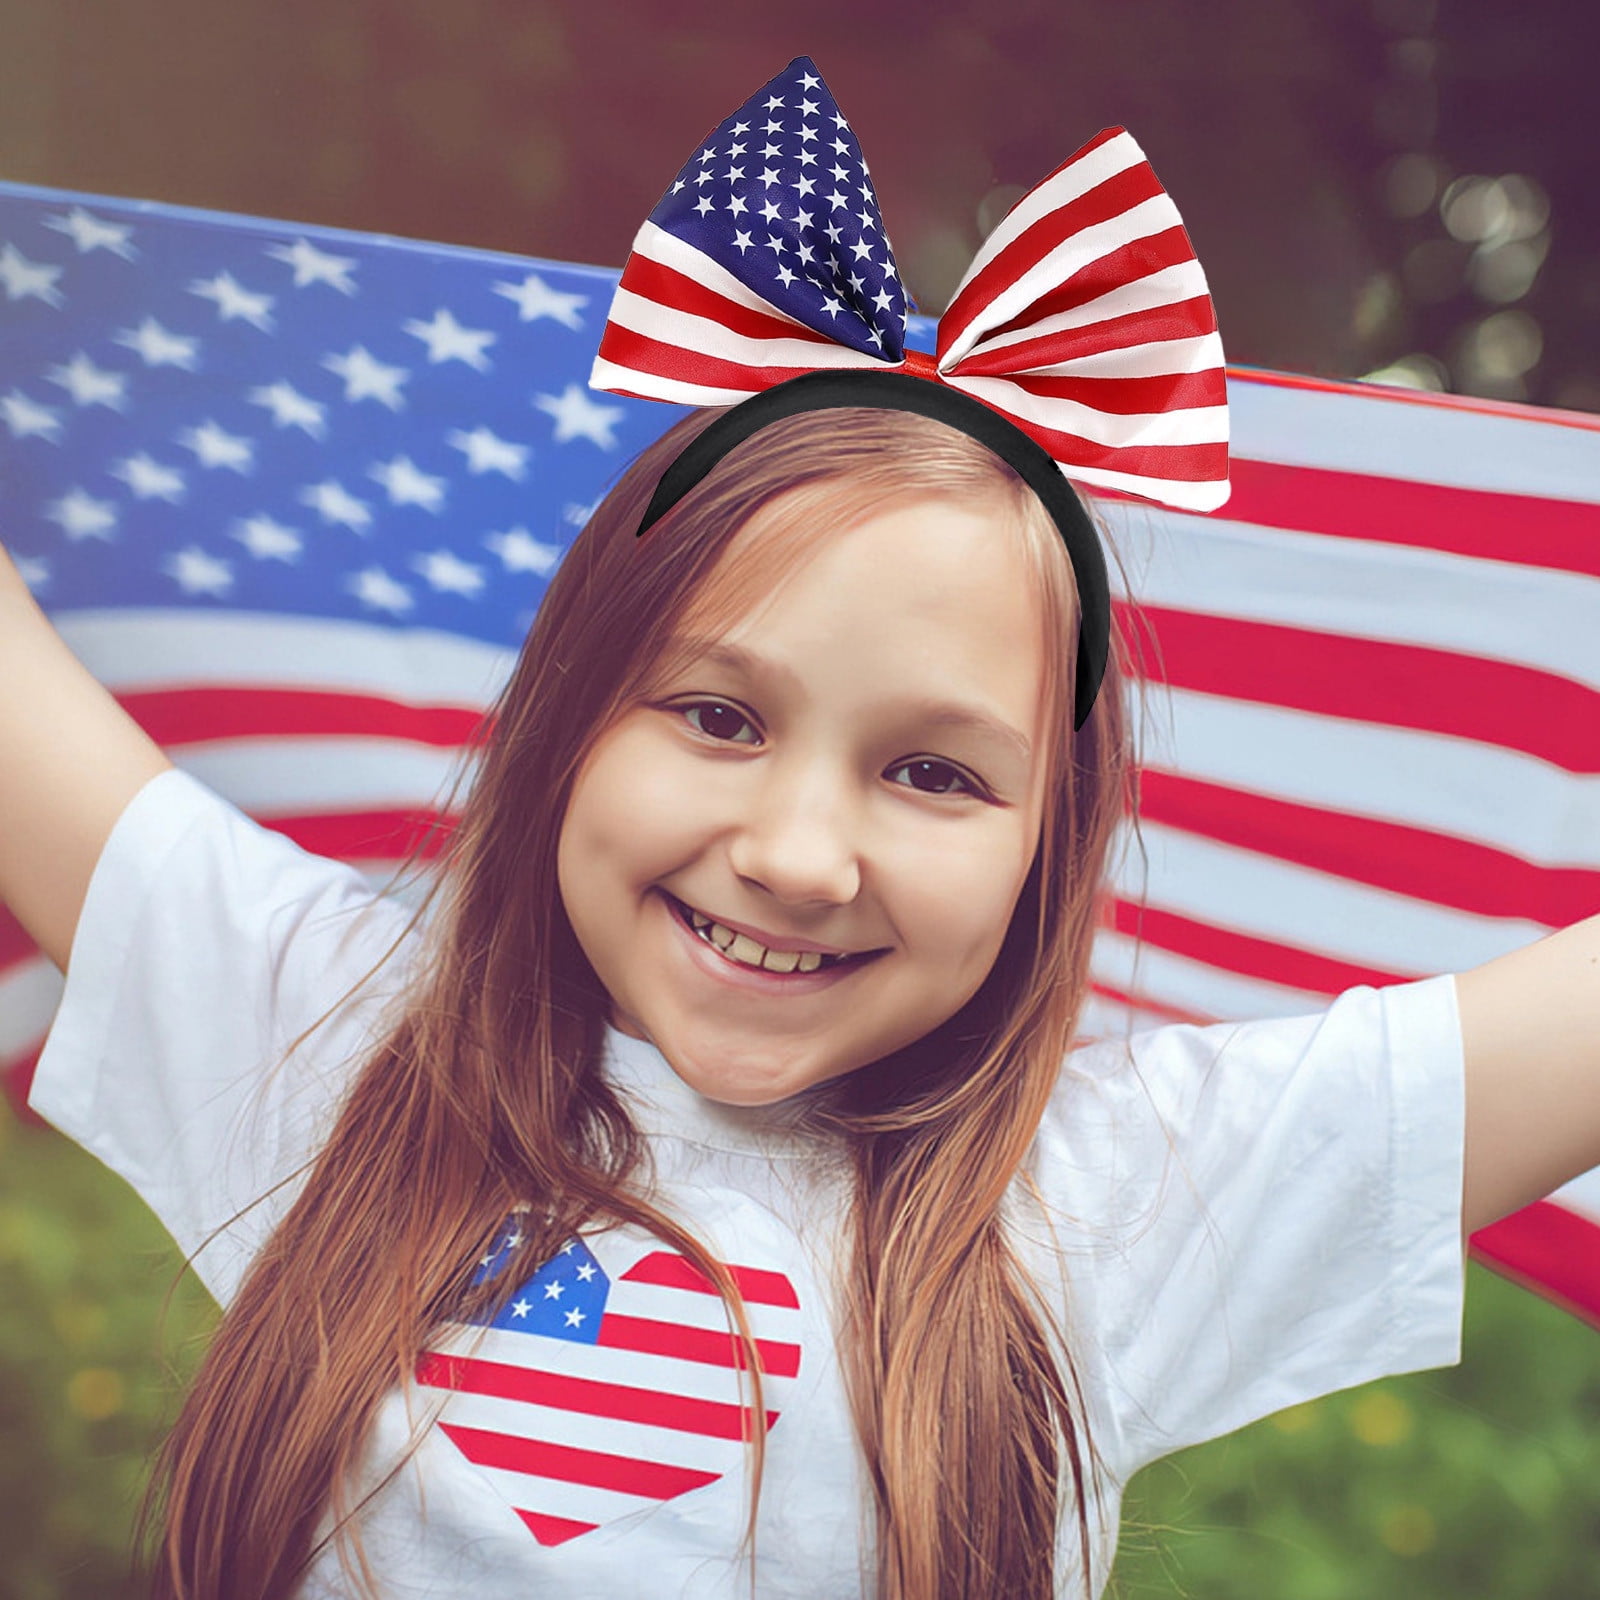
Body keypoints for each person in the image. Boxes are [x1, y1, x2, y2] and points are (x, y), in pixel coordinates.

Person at [5, 56, 1600, 1600]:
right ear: (566, 720)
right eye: (718, 717)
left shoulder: (1112, 1197)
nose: (796, 854)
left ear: (1049, 853)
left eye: (934, 774)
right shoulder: (334, 1036)